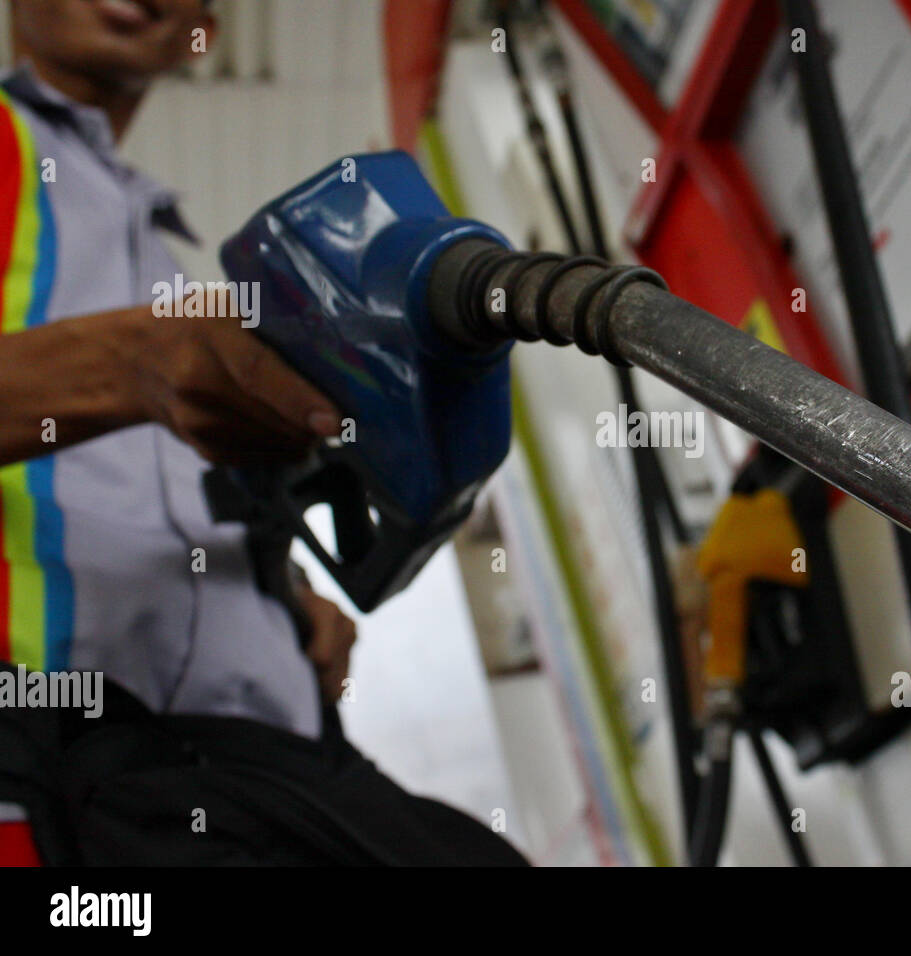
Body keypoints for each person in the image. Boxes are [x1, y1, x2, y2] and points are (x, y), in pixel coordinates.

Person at [0, 0, 525, 866]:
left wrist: (280, 599)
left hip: (273, 760)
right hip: (61, 752)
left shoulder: (155, 242)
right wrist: (130, 364)